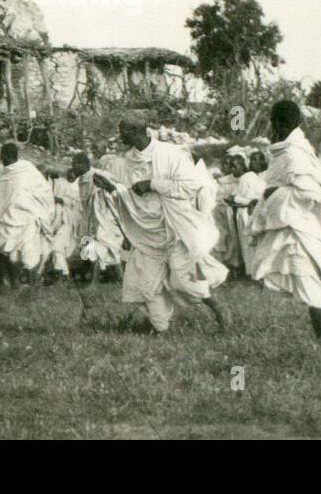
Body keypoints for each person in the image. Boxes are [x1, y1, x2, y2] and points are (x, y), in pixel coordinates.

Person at [99, 111, 230, 334]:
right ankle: (160, 327)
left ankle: (219, 310)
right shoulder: (125, 162)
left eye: (123, 131)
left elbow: (191, 186)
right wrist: (111, 187)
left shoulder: (170, 154)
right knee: (146, 282)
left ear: (136, 131)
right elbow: (126, 193)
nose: (119, 135)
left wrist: (154, 184)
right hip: (147, 233)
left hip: (176, 227)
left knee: (184, 282)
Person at [248, 101, 321, 339]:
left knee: (312, 282)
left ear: (279, 123)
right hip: (295, 225)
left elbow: (309, 193)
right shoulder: (291, 149)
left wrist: (274, 195)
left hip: (304, 226)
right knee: (314, 282)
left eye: (274, 123)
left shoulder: (295, 153)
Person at [0, 143, 58, 286]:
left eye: (3, 156)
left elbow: (44, 192)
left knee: (29, 253)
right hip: (10, 219)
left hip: (29, 218)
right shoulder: (5, 173)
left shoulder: (28, 171)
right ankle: (15, 285)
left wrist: (39, 210)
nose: (2, 159)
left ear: (9, 156)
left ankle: (33, 285)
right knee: (12, 253)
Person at [71, 151, 125, 282]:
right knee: (99, 250)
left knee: (102, 248)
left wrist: (106, 221)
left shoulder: (98, 178)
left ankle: (94, 283)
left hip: (104, 220)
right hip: (92, 219)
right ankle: (120, 281)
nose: (73, 168)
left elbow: (111, 198)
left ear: (83, 165)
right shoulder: (82, 180)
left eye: (75, 165)